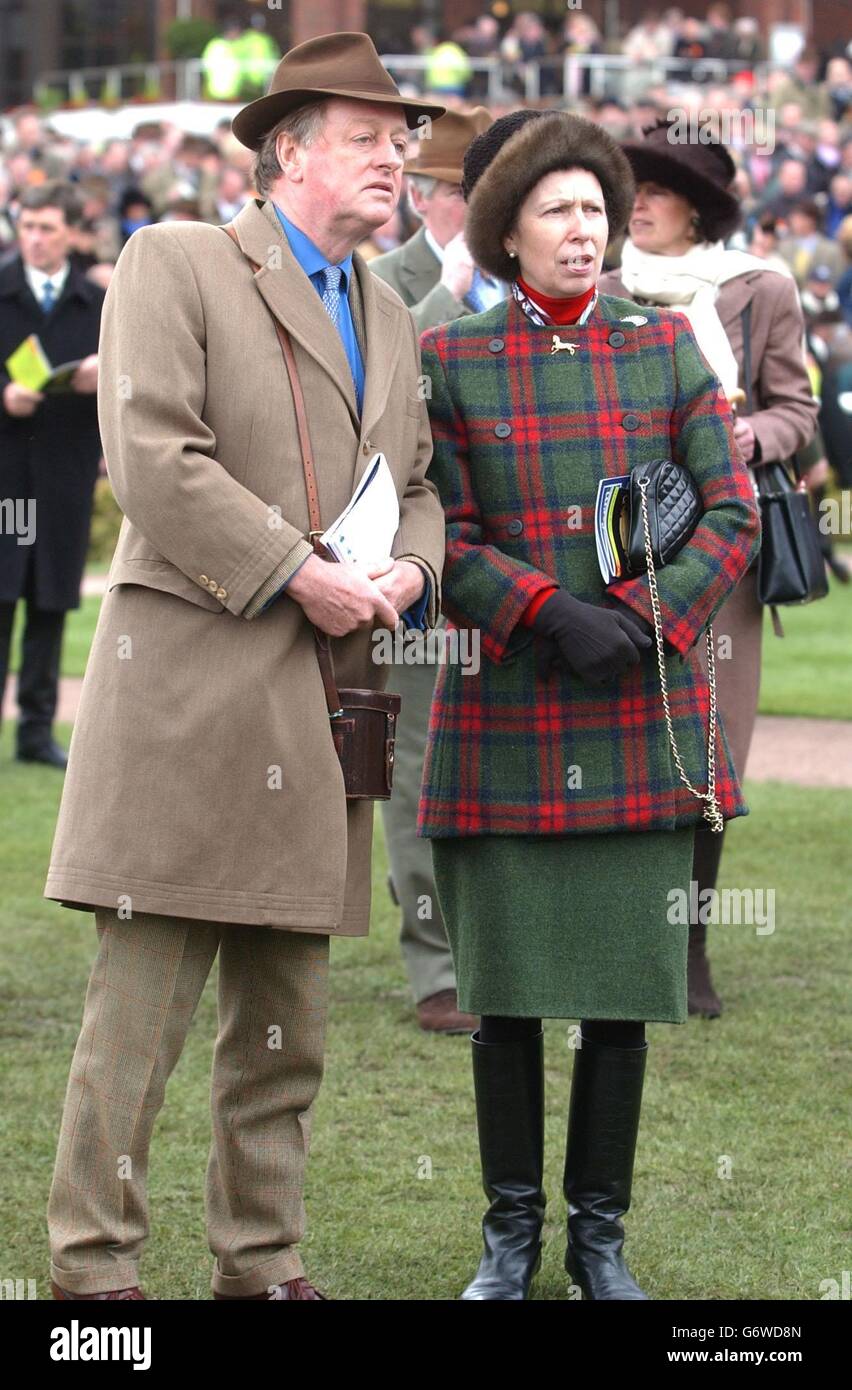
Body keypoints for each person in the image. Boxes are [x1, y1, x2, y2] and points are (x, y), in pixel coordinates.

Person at [42, 32, 446, 1302]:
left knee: (287, 1025)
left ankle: (262, 1264)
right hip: (192, 689)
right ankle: (93, 1277)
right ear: (289, 148)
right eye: (370, 134)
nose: (398, 154)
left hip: (327, 699)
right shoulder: (177, 259)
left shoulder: (389, 309)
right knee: (140, 1018)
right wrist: (300, 569)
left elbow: (420, 487)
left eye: (405, 138)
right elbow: (154, 456)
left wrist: (410, 575)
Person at [418, 109, 760, 1300]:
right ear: (507, 230)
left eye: (598, 213)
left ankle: (596, 1242)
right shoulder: (450, 359)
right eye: (559, 210)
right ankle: (509, 1239)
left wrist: (650, 614)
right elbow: (440, 532)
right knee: (504, 1000)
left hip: (638, 714)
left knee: (622, 997)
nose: (584, 231)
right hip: (509, 705)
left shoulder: (668, 345)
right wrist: (538, 609)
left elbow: (734, 511)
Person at [600, 118, 819, 1016]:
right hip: (619, 541)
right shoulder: (602, 284)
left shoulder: (761, 288)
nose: (636, 203)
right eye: (631, 188)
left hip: (721, 550)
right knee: (621, 741)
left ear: (698, 206)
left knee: (710, 751)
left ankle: (688, 953)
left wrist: (746, 434)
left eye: (654, 188)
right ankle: (622, 943)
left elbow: (796, 410)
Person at [370, 106, 498, 1034]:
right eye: (471, 189)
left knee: (516, 761)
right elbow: (373, 410)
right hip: (419, 563)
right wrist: (448, 289)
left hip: (522, 568)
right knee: (416, 770)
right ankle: (436, 969)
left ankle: (510, 946)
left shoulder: (533, 286)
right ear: (431, 194)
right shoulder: (387, 283)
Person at [0, 181, 103, 768]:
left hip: (63, 478)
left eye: (47, 229)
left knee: (50, 602)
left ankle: (36, 735)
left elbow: (131, 388)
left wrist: (103, 373)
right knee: (2, 596)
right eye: (28, 227)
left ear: (71, 233)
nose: (35, 239)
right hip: (9, 485)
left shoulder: (96, 306)